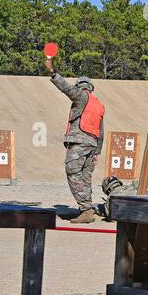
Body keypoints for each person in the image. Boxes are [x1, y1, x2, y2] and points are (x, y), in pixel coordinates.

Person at [45, 52, 105, 223]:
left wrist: (53, 72)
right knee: (85, 177)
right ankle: (86, 209)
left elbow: (65, 87)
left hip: (80, 142)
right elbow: (101, 130)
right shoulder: (99, 104)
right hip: (92, 145)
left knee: (72, 172)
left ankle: (86, 210)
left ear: (80, 86)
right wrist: (97, 152)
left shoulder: (81, 96)